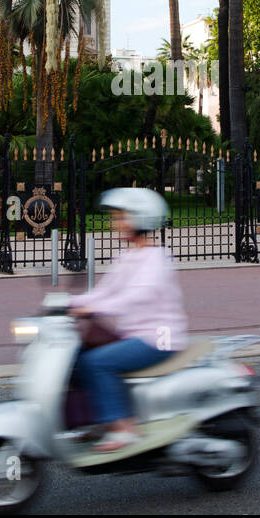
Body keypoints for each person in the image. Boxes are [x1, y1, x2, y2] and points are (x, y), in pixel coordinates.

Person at [70, 188, 188, 452]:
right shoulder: (128, 256)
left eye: (122, 217)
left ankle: (124, 428)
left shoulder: (156, 258)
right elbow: (104, 291)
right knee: (76, 357)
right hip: (134, 334)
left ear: (142, 219)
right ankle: (103, 417)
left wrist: (94, 309)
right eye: (116, 218)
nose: (116, 224)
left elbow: (138, 296)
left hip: (159, 337)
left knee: (98, 362)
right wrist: (67, 303)